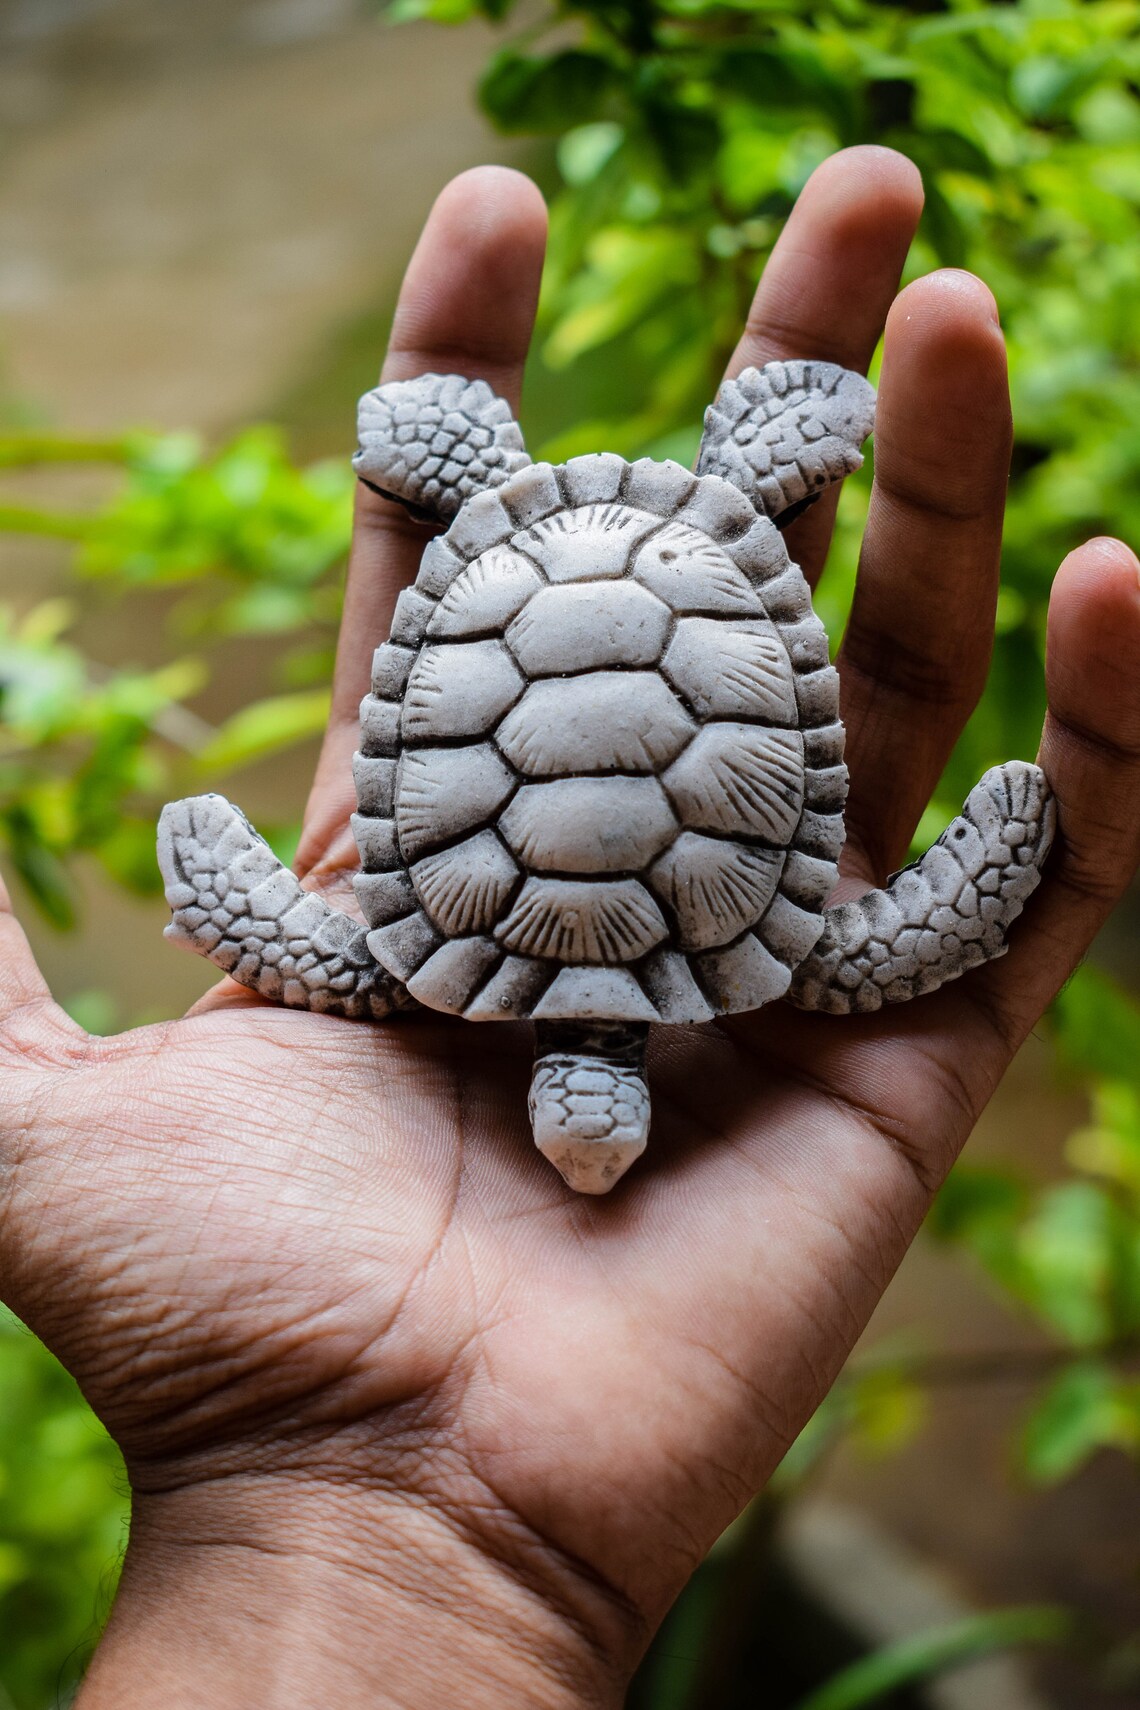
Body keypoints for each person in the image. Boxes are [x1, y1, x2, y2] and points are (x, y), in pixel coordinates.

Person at [1, 146, 1137, 1708]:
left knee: (871, 939)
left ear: (561, 1092)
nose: (586, 1143)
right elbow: (897, 942)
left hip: (542, 630)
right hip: (694, 583)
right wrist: (999, 855)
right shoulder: (759, 957)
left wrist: (238, 899)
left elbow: (331, 945)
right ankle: (708, 467)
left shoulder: (428, 962)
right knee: (887, 943)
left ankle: (571, 467)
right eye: (600, 1130)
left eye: (575, 1130)